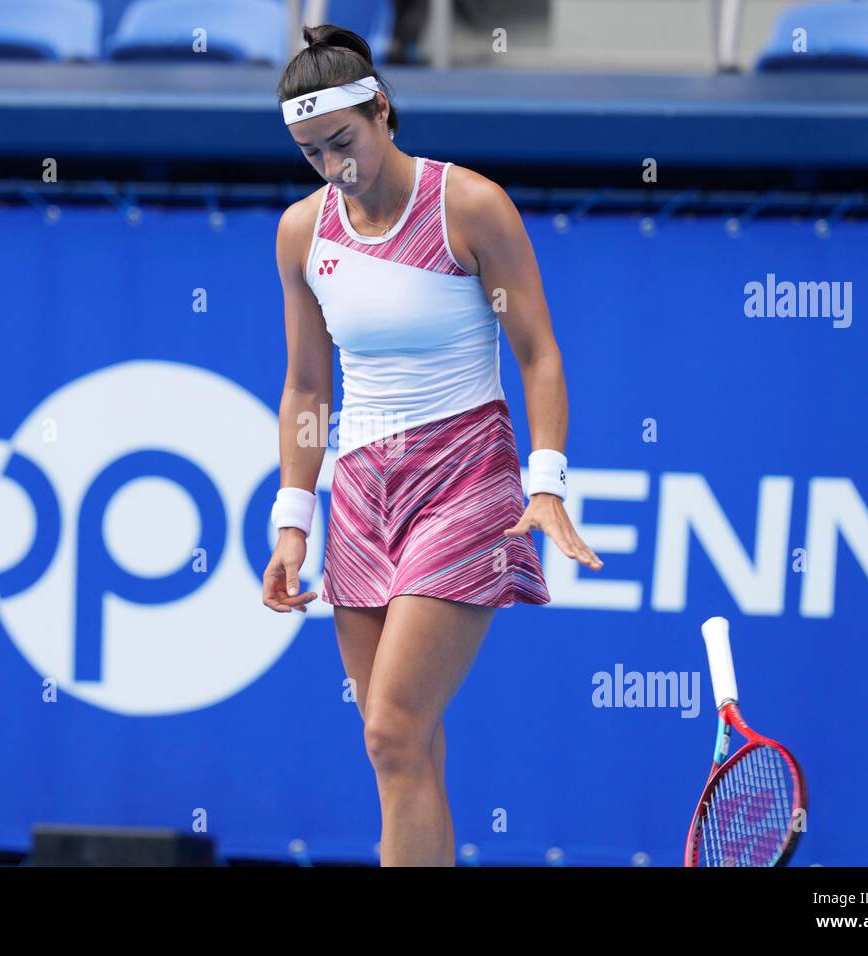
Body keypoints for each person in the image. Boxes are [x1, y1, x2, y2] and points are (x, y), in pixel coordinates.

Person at [262, 23, 602, 867]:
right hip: (361, 497)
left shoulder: (470, 205)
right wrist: (293, 520)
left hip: (467, 484)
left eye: (342, 140)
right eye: (310, 152)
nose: (332, 164)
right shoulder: (302, 233)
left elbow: (538, 352)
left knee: (392, 727)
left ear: (382, 110)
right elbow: (308, 387)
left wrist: (547, 481)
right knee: (401, 751)